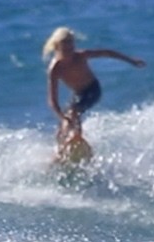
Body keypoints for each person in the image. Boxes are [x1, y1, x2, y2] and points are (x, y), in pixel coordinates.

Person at [43, 26, 145, 157]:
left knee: (74, 112)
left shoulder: (80, 56)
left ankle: (77, 138)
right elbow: (52, 100)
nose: (69, 48)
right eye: (65, 45)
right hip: (78, 94)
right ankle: (60, 154)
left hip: (93, 90)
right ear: (57, 46)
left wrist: (131, 60)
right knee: (63, 126)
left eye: (71, 44)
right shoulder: (54, 69)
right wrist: (62, 116)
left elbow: (107, 53)